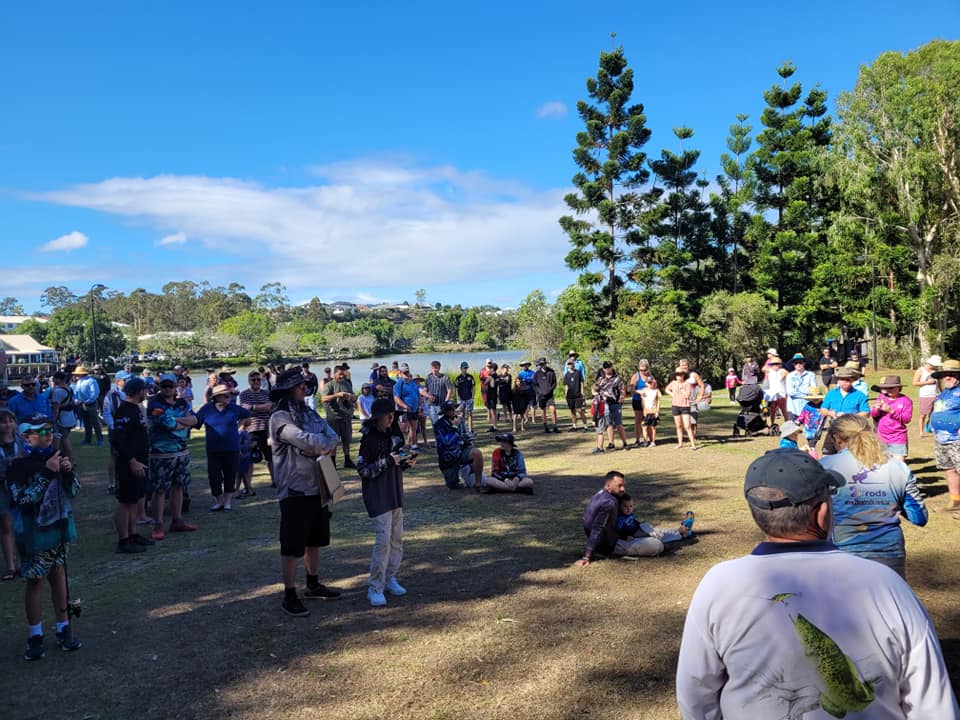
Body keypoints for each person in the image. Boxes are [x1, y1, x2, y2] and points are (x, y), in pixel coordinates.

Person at [677, 448, 959, 719]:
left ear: (757, 513)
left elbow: (695, 694)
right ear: (823, 511)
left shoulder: (719, 584)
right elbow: (933, 705)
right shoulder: (887, 584)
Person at [269, 367, 343, 617]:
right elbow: (303, 440)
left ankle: (313, 584)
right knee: (292, 545)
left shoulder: (309, 412)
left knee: (315, 540)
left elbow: (332, 436)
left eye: (305, 384)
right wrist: (318, 446)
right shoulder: (279, 417)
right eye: (299, 385)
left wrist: (317, 447)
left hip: (318, 486)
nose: (305, 387)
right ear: (288, 389)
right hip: (294, 490)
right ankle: (289, 594)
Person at [8, 416, 83, 660]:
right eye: (40, 432)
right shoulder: (17, 467)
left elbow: (73, 492)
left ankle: (63, 627)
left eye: (50, 430)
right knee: (36, 581)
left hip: (60, 529)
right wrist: (46, 473)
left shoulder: (58, 459)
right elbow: (23, 500)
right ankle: (35, 633)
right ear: (26, 437)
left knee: (59, 576)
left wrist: (69, 473)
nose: (48, 435)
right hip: (34, 534)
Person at [820, 415, 927, 578]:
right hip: (890, 554)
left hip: (842, 552)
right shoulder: (898, 467)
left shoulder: (825, 466)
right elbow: (919, 517)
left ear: (837, 438)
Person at [357, 398, 415, 607]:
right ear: (377, 418)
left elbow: (397, 461)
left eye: (393, 415)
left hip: (395, 492)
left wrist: (406, 462)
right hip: (378, 495)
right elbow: (364, 470)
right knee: (383, 541)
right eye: (388, 415)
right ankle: (375, 587)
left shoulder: (394, 435)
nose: (391, 419)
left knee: (396, 539)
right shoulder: (368, 439)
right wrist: (388, 461)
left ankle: (390, 577)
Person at [575, 471, 689, 565]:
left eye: (623, 485)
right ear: (608, 485)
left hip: (619, 534)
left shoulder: (602, 494)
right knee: (657, 545)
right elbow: (597, 528)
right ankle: (678, 533)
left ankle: (679, 532)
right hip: (611, 545)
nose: (623, 489)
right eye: (619, 486)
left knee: (646, 528)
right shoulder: (609, 503)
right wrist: (587, 556)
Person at [146, 373, 198, 539]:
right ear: (159, 387)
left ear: (176, 387)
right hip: (161, 453)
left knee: (179, 486)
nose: (168, 389)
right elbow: (168, 424)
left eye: (171, 386)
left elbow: (195, 420)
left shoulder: (182, 402)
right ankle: (158, 524)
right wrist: (182, 422)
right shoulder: (154, 404)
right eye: (164, 386)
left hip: (181, 451)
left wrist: (178, 421)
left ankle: (177, 520)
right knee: (160, 490)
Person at [111, 377, 155, 554]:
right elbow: (118, 441)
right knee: (125, 502)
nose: (147, 393)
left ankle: (133, 534)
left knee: (135, 499)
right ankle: (123, 540)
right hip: (129, 464)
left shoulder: (135, 409)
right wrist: (132, 461)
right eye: (145, 390)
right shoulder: (124, 411)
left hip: (140, 461)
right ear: (138, 392)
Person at [195, 384, 251, 511]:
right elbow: (196, 422)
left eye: (229, 395)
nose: (228, 397)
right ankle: (219, 500)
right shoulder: (207, 409)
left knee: (230, 475)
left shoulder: (233, 408)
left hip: (232, 447)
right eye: (225, 395)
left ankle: (227, 502)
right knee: (214, 476)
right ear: (217, 397)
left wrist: (239, 426)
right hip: (213, 448)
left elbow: (247, 414)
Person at [615, 493, 689, 556]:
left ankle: (679, 532)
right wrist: (625, 537)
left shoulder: (630, 514)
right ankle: (679, 534)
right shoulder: (620, 519)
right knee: (656, 537)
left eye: (631, 506)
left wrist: (641, 526)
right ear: (619, 507)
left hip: (639, 529)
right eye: (625, 506)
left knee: (657, 532)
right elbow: (619, 530)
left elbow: (635, 522)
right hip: (634, 535)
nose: (629, 509)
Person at [930, 359, 960, 512]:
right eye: (945, 375)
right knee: (949, 469)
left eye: (951, 374)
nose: (947, 377)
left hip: (957, 439)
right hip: (942, 439)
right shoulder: (945, 393)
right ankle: (955, 501)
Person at [820, 364, 870, 455]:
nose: (845, 382)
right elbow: (823, 409)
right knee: (828, 455)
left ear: (852, 380)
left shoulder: (860, 395)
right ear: (838, 380)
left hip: (851, 430)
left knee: (851, 455)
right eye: (842, 379)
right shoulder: (831, 394)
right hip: (833, 429)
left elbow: (866, 413)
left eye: (848, 379)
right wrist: (830, 413)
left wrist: (849, 416)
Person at [434, 401, 485, 490]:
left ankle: (478, 483)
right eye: (450, 409)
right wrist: (454, 428)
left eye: (453, 408)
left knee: (477, 453)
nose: (453, 411)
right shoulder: (439, 425)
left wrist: (469, 441)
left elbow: (464, 435)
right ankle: (457, 475)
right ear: (445, 412)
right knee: (453, 485)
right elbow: (447, 442)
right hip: (448, 459)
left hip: (461, 452)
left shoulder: (460, 421)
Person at [238, 370, 274, 486]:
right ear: (249, 381)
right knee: (249, 459)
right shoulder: (243, 394)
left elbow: (269, 407)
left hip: (266, 428)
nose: (256, 382)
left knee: (271, 457)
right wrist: (260, 408)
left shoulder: (266, 393)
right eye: (253, 380)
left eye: (258, 379)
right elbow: (244, 409)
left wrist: (253, 407)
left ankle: (275, 481)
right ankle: (248, 486)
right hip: (251, 429)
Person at [321, 364, 357, 470]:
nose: (341, 377)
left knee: (346, 440)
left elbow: (354, 397)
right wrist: (337, 395)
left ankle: (347, 460)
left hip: (346, 416)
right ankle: (332, 462)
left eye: (343, 374)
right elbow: (323, 399)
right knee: (334, 440)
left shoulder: (346, 384)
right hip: (333, 417)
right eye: (340, 374)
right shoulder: (329, 385)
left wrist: (351, 397)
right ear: (334, 374)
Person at [870, 375, 913, 462]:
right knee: (882, 466)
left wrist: (892, 411)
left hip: (898, 437)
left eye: (891, 387)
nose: (888, 390)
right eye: (886, 388)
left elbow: (907, 419)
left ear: (899, 387)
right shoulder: (882, 397)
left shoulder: (906, 401)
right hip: (882, 436)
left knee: (899, 465)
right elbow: (874, 415)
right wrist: (876, 409)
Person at [0, 409, 21, 580]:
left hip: (20, 487)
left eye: (10, 421)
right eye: (3, 422)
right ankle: (10, 566)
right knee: (6, 525)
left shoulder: (20, 441)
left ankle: (22, 562)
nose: (8, 425)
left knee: (20, 524)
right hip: (2, 488)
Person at [596, 361, 629, 451]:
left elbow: (622, 391)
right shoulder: (601, 379)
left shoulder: (618, 379)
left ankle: (625, 443)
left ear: (611, 367)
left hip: (615, 403)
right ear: (603, 369)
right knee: (608, 424)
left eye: (609, 367)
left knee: (618, 423)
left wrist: (620, 402)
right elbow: (595, 389)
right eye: (605, 367)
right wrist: (600, 384)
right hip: (605, 404)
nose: (607, 369)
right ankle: (611, 443)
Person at [666, 369, 697, 450]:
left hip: (685, 406)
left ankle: (693, 444)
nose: (678, 376)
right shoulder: (673, 383)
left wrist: (682, 389)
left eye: (680, 374)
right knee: (678, 426)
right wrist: (672, 394)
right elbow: (666, 389)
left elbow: (687, 396)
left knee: (687, 426)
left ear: (684, 375)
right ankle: (680, 443)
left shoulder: (687, 384)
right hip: (675, 406)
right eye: (677, 374)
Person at [393, 363, 421, 450]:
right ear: (400, 373)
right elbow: (396, 398)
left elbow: (417, 394)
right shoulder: (398, 384)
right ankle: (398, 448)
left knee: (414, 428)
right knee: (402, 428)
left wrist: (419, 405)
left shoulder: (413, 382)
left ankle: (413, 445)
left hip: (414, 409)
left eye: (407, 371)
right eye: (404, 372)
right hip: (403, 410)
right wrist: (405, 406)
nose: (406, 373)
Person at [72, 366, 103, 446]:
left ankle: (100, 439)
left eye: (77, 374)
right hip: (81, 404)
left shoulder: (91, 381)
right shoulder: (79, 382)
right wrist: (76, 400)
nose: (76, 375)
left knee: (95, 422)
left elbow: (95, 393)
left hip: (91, 404)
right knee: (86, 423)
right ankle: (87, 440)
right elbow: (76, 393)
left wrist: (87, 401)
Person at [913, 354, 942, 435]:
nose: (937, 367)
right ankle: (921, 432)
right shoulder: (921, 370)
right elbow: (914, 383)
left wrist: (941, 393)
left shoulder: (936, 372)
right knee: (923, 414)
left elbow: (939, 383)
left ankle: (931, 428)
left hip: (936, 395)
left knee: (934, 414)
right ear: (931, 364)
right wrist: (927, 382)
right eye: (936, 365)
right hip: (925, 396)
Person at [424, 360, 454, 437]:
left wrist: (446, 402)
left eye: (436, 368)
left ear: (439, 368)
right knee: (435, 424)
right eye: (433, 368)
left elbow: (449, 390)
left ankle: (445, 439)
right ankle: (437, 440)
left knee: (444, 424)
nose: (434, 369)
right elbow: (424, 390)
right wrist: (428, 396)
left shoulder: (445, 378)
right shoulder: (428, 378)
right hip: (431, 405)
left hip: (441, 405)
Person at [533, 357, 561, 433]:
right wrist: (539, 392)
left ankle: (555, 426)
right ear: (539, 365)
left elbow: (554, 383)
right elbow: (535, 385)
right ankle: (545, 426)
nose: (543, 365)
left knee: (553, 410)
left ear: (546, 363)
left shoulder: (551, 372)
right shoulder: (537, 374)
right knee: (543, 411)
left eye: (544, 364)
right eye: (541, 364)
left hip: (550, 395)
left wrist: (550, 390)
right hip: (541, 395)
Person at [786, 353, 816, 421]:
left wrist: (797, 389)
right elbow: (790, 392)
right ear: (793, 364)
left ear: (804, 363)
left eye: (800, 362)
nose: (798, 364)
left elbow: (813, 390)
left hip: (807, 407)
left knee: (807, 430)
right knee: (792, 430)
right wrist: (805, 394)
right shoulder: (790, 376)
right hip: (792, 408)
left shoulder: (811, 375)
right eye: (796, 363)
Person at [763, 356, 788, 430]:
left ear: (780, 364)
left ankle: (788, 425)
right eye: (774, 364)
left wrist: (784, 375)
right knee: (772, 410)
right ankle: (771, 424)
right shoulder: (770, 371)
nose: (775, 365)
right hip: (772, 395)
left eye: (777, 364)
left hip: (782, 394)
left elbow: (789, 375)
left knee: (784, 411)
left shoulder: (783, 370)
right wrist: (770, 364)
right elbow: (763, 368)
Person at [563, 359, 588, 432]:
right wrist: (566, 393)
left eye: (571, 364)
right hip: (570, 395)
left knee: (579, 410)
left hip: (578, 394)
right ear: (567, 365)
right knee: (572, 411)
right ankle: (574, 426)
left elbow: (582, 383)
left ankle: (585, 426)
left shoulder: (578, 372)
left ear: (574, 364)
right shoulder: (566, 374)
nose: (570, 365)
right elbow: (566, 385)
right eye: (569, 364)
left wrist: (582, 392)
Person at [628, 361, 649, 445]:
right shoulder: (636, 376)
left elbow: (654, 386)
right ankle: (637, 440)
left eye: (644, 370)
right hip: (637, 400)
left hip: (647, 402)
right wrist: (639, 392)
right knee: (638, 420)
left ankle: (646, 439)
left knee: (646, 420)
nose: (643, 372)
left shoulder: (650, 376)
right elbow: (631, 389)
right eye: (641, 370)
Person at [454, 362, 476, 433]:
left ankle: (470, 429)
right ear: (461, 369)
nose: (465, 369)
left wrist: (472, 397)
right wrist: (458, 398)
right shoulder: (458, 378)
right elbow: (456, 389)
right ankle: (463, 429)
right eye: (464, 368)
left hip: (469, 398)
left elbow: (473, 387)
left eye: (466, 368)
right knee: (461, 414)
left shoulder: (470, 377)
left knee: (469, 414)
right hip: (461, 399)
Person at [639, 379, 661, 447]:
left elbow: (658, 402)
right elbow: (642, 401)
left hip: (653, 411)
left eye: (651, 382)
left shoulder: (656, 391)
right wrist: (644, 410)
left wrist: (657, 411)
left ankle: (653, 442)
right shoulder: (644, 391)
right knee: (644, 427)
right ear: (646, 383)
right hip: (646, 411)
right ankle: (645, 441)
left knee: (653, 427)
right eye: (649, 383)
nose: (651, 384)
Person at [483, 362, 499, 432]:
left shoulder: (491, 376)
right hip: (494, 395)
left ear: (492, 369)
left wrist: (489, 379)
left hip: (491, 396)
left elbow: (486, 383)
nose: (489, 369)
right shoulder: (496, 375)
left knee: (492, 411)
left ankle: (494, 427)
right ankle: (494, 426)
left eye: (490, 368)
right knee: (494, 411)